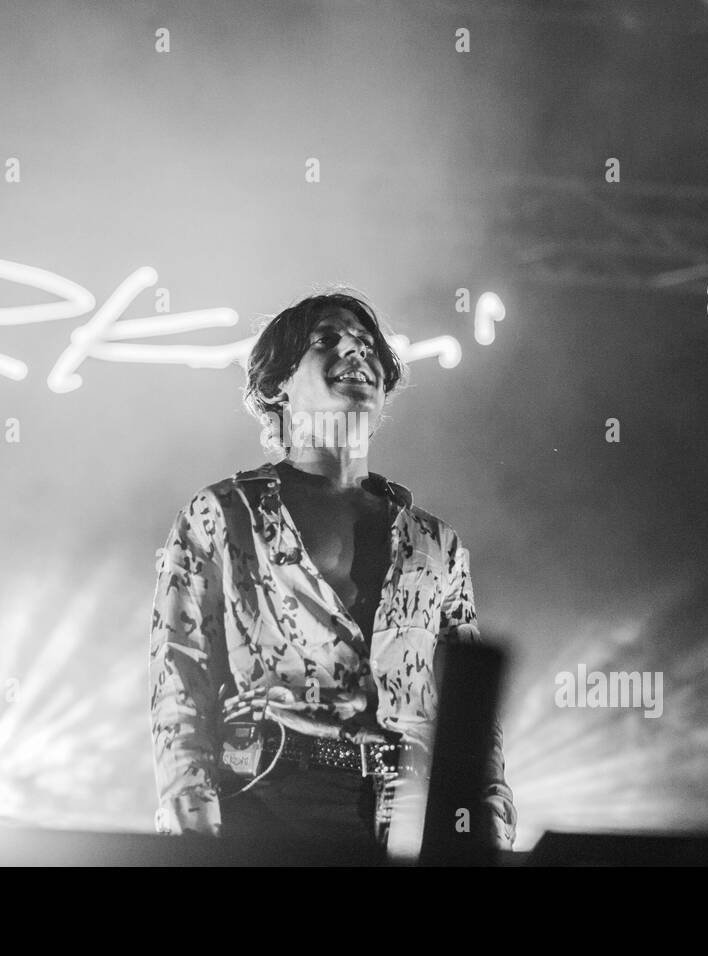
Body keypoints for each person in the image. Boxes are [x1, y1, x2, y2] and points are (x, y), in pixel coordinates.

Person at [149, 290, 516, 853]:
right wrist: (194, 836)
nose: (356, 352)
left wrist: (488, 827)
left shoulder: (436, 543)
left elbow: (469, 720)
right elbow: (180, 685)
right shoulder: (223, 515)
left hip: (409, 814)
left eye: (368, 344)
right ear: (277, 386)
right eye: (327, 341)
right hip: (263, 797)